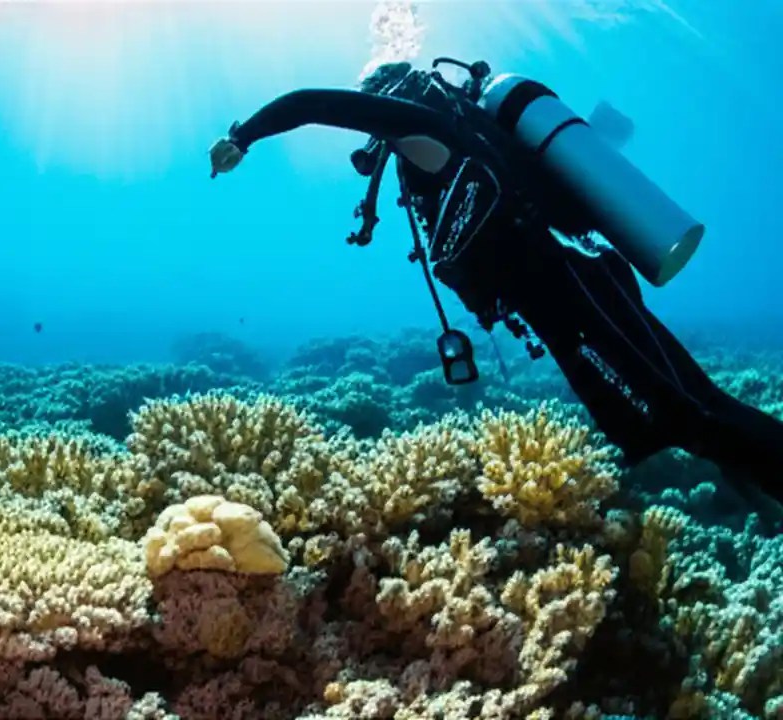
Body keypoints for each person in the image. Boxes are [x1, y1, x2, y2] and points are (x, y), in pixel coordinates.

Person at [207, 58, 783, 506]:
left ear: (391, 95)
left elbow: (313, 103)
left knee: (684, 414)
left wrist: (245, 135)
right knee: (690, 412)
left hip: (571, 290)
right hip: (573, 294)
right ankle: (762, 480)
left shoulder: (423, 128)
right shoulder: (446, 143)